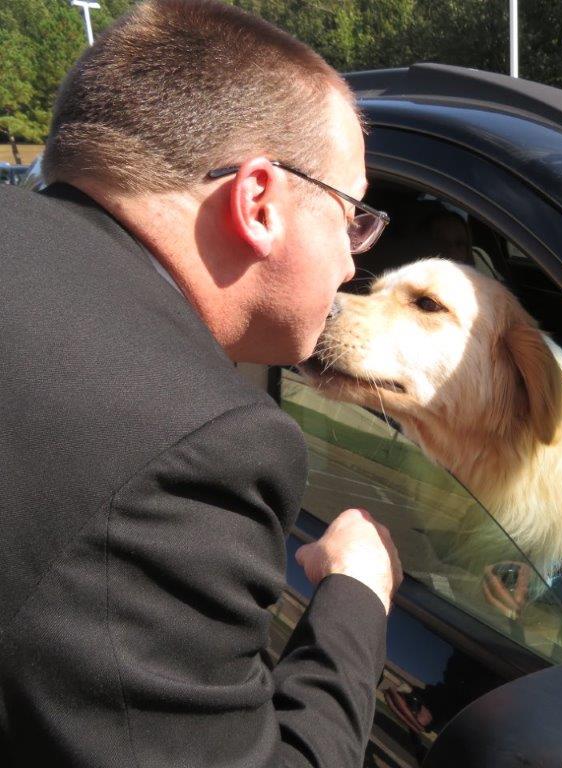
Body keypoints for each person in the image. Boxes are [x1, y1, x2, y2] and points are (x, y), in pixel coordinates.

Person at [0, 0, 403, 765]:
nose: (354, 261)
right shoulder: (191, 449)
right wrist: (357, 591)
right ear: (259, 202)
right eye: (353, 216)